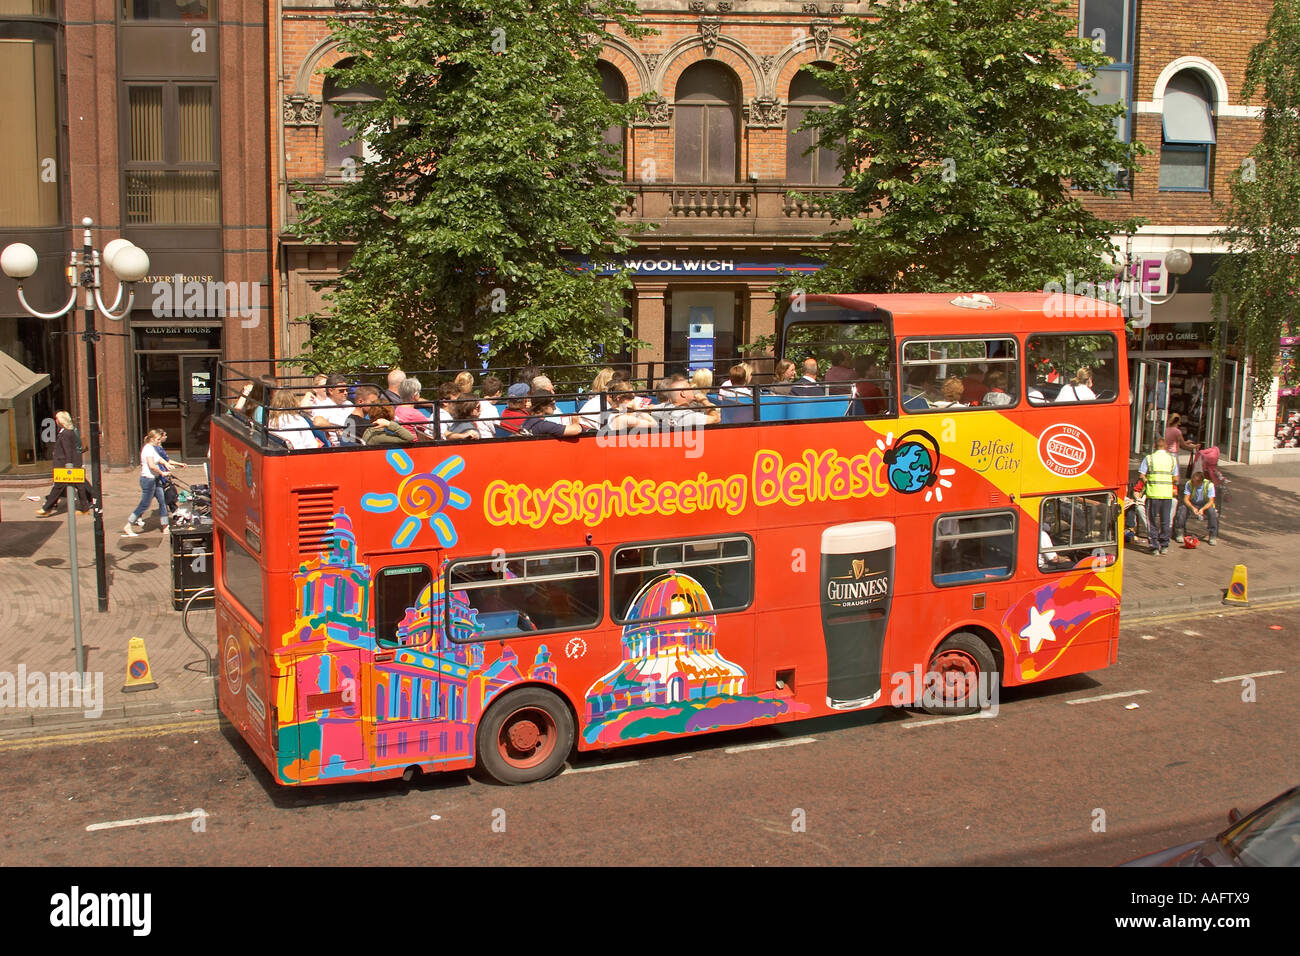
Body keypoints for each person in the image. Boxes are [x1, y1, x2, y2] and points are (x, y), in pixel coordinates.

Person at [37, 411, 94, 516]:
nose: (56, 421)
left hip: (64, 465)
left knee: (59, 486)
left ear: (61, 421)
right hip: (70, 463)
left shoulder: (65, 433)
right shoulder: (69, 431)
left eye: (57, 419)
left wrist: (68, 465)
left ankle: (46, 508)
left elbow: (68, 450)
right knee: (79, 485)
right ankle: (85, 507)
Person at [124, 429, 174, 535]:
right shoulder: (147, 449)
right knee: (145, 504)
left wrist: (166, 464)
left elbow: (159, 459)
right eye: (158, 439)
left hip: (155, 479)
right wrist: (162, 473)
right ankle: (129, 524)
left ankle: (165, 526)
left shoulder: (152, 448)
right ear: (152, 439)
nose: (159, 441)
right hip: (148, 479)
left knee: (162, 501)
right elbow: (151, 465)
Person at [1139, 441, 1179, 554]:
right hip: (1166, 494)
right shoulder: (1172, 459)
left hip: (1153, 494)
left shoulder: (1149, 458)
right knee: (1165, 520)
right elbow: (1176, 478)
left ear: (1155, 446)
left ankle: (1154, 546)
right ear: (1166, 447)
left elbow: (1142, 475)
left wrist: (1148, 482)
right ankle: (1165, 545)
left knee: (1152, 521)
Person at [1174, 470, 1219, 546]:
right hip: (1192, 503)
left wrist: (1202, 509)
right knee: (1182, 509)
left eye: (1195, 482)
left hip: (1205, 504)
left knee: (1212, 512)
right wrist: (1192, 508)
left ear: (1200, 482)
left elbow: (1211, 501)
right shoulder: (1189, 484)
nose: (1193, 483)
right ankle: (1180, 532)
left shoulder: (1209, 485)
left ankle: (1212, 535)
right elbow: (1186, 499)